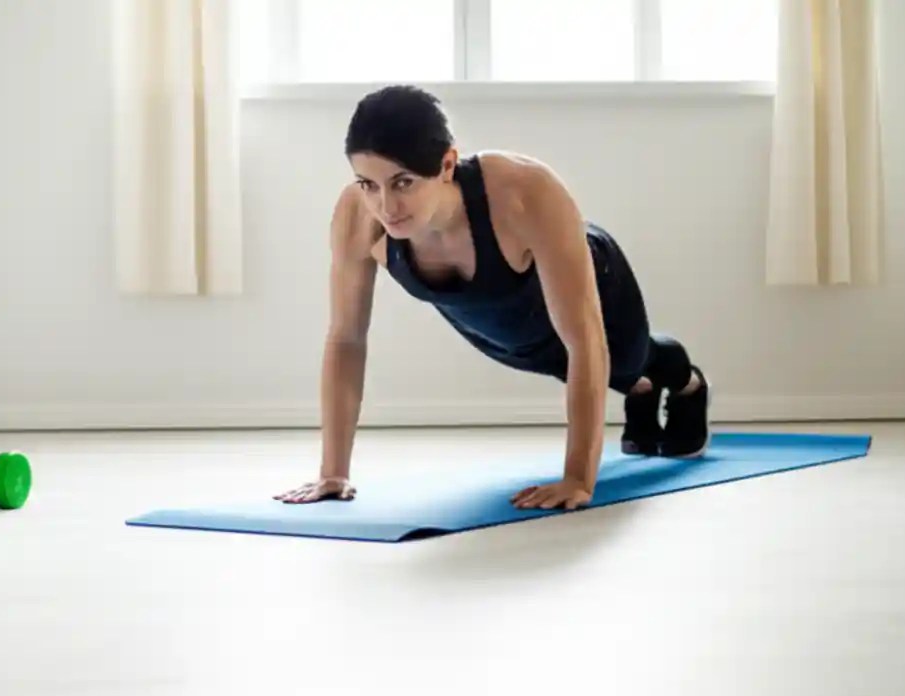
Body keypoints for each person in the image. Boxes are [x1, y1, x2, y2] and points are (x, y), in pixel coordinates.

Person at [274, 85, 711, 511]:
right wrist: (334, 472)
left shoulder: (522, 190)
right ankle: (640, 391)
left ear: (446, 164)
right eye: (368, 183)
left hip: (593, 292)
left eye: (403, 182)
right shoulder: (357, 215)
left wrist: (578, 478)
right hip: (503, 330)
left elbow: (584, 339)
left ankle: (686, 384)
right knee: (579, 366)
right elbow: (347, 338)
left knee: (627, 360)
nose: (385, 206)